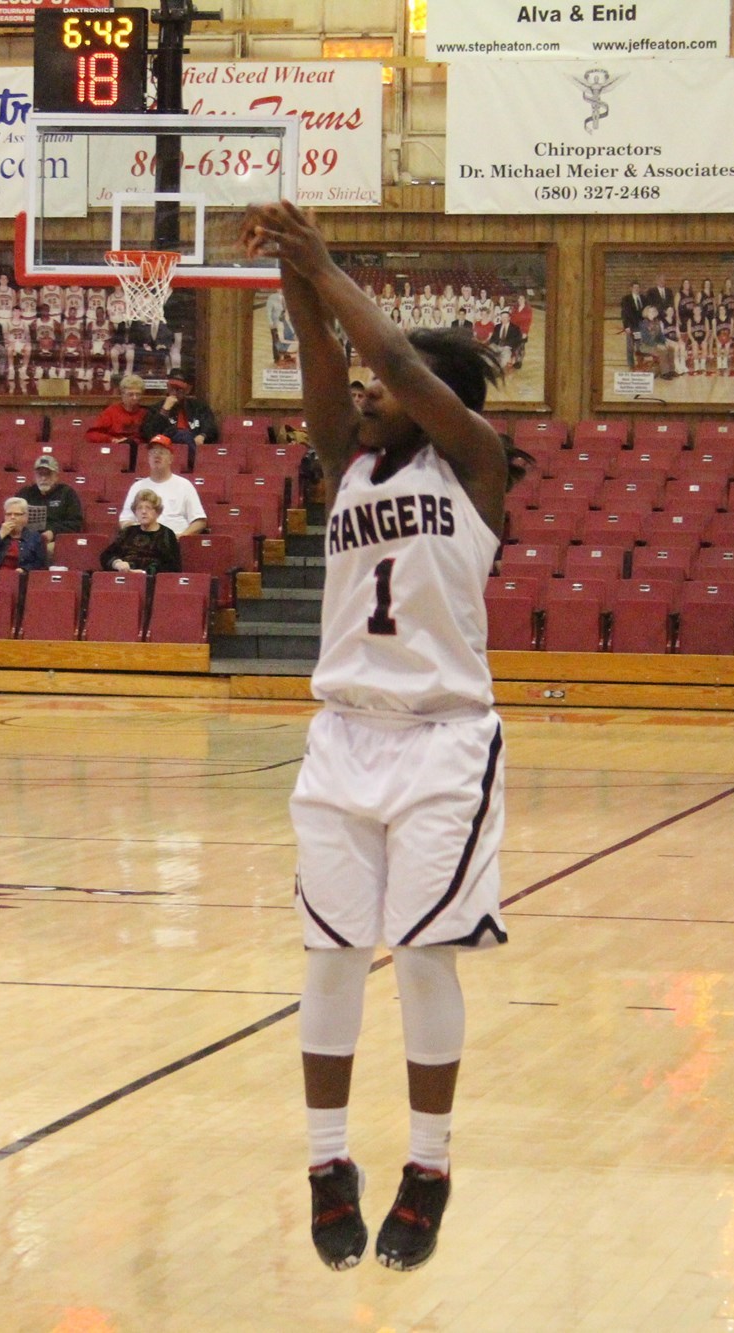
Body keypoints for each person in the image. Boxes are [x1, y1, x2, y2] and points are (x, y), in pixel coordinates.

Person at [244, 201, 530, 1275]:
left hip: (442, 743)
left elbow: (395, 360)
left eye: (382, 391)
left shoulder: (473, 465)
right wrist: (294, 280)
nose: (363, 395)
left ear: (435, 402)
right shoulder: (349, 466)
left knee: (419, 955)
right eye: (359, 391)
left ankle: (428, 1163)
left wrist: (325, 263)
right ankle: (326, 1160)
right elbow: (328, 366)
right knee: (325, 952)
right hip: (340, 736)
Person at [117, 440, 208, 537]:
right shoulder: (137, 486)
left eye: (161, 452)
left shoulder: (184, 485)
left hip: (175, 541)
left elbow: (199, 521)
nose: (157, 456)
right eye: (153, 452)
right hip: (144, 542)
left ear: (171, 459)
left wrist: (179, 538)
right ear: (148, 458)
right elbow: (125, 520)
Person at [100, 489, 181, 576]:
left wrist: (144, 573)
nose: (143, 512)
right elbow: (106, 555)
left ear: (157, 512)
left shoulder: (167, 534)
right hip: (125, 577)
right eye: (139, 508)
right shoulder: (128, 532)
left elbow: (173, 566)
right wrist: (117, 563)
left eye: (148, 508)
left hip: (152, 581)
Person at [142, 375, 222, 458]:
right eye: (172, 389)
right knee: (182, 434)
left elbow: (211, 427)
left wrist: (203, 435)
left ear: (186, 391)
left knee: (185, 435)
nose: (175, 393)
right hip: (168, 445)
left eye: (179, 390)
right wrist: (164, 411)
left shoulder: (198, 407)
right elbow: (150, 433)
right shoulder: (156, 408)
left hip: (194, 441)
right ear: (167, 389)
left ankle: (198, 462)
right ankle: (199, 462)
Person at [15, 455, 85, 542]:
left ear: (56, 476)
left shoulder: (67, 493)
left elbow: (75, 523)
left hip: (55, 540)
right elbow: (12, 517)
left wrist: (53, 532)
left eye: (48, 474)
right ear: (34, 475)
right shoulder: (25, 493)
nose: (43, 478)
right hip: (26, 539)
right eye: (40, 474)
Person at [0, 497, 49, 572]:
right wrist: (0, 535)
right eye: (9, 514)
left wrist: (25, 569)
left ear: (25, 517)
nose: (12, 517)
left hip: (21, 578)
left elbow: (41, 564)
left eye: (17, 514)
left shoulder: (35, 537)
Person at [85, 374, 151, 449]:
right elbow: (92, 434)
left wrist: (133, 441)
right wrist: (112, 440)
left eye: (138, 394)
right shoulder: (111, 412)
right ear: (122, 394)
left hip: (137, 450)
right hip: (114, 449)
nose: (134, 398)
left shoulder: (146, 413)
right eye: (130, 394)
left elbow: (150, 437)